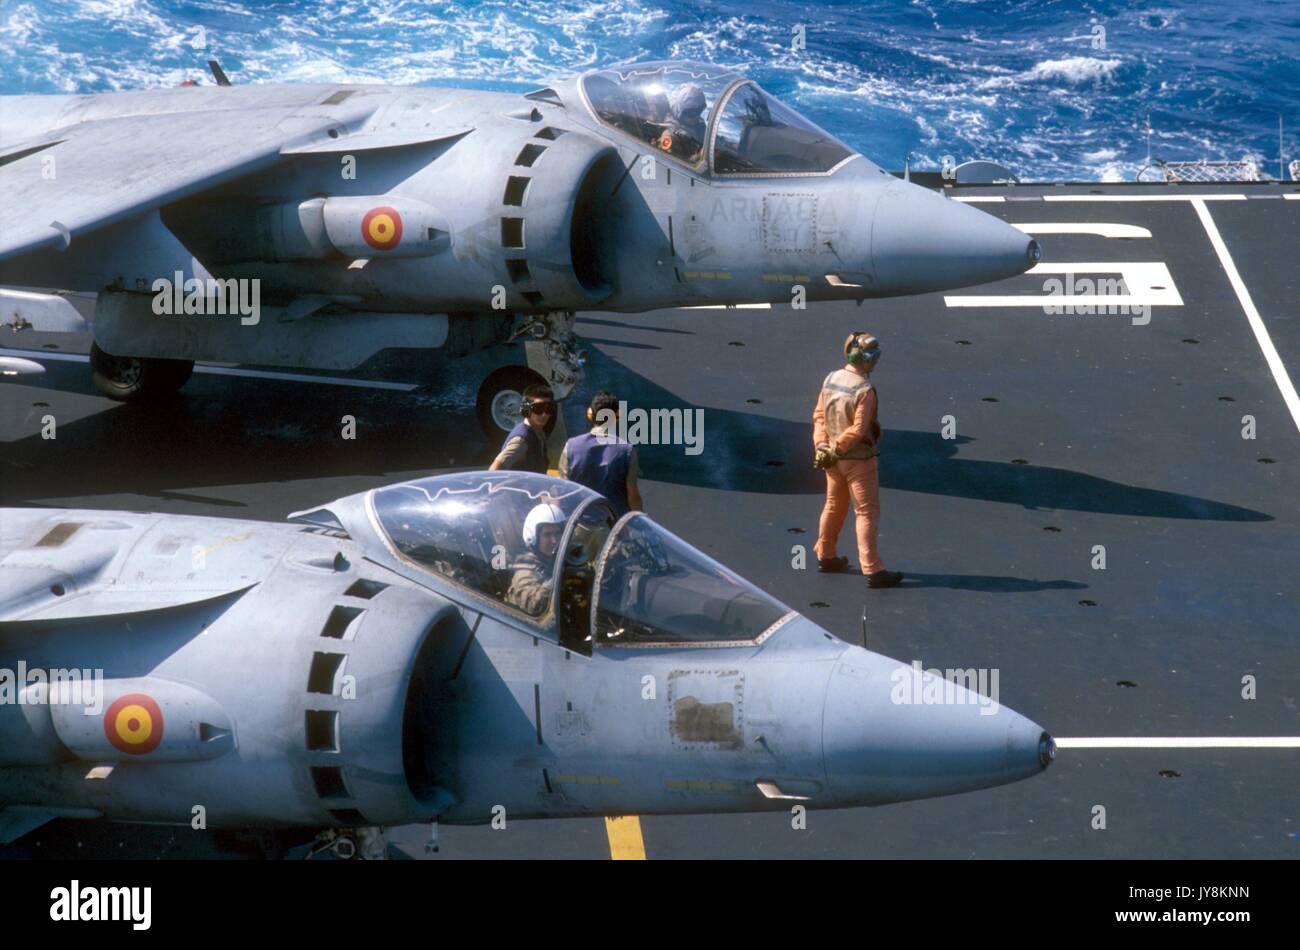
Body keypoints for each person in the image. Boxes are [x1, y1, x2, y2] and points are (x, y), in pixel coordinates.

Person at [812, 332, 903, 589]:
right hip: (858, 460)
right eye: (873, 356)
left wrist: (823, 447)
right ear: (864, 359)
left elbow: (819, 416)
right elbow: (859, 429)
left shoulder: (831, 379)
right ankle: (873, 570)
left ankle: (826, 555)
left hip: (830, 457)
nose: (875, 361)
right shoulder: (865, 390)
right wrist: (838, 449)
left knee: (832, 505)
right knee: (865, 512)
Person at [559, 390, 643, 517]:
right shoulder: (628, 451)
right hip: (612, 527)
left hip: (577, 524)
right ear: (617, 415)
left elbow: (562, 488)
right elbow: (633, 495)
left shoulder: (571, 446)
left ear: (590, 414)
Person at [506, 501, 566, 615]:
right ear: (533, 538)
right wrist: (557, 579)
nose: (554, 540)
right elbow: (532, 606)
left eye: (557, 533)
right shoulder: (524, 572)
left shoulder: (560, 559)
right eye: (547, 535)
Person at [489, 384, 554, 473]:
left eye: (549, 408)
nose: (545, 414)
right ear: (526, 409)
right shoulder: (521, 440)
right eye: (538, 408)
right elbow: (493, 471)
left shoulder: (537, 431)